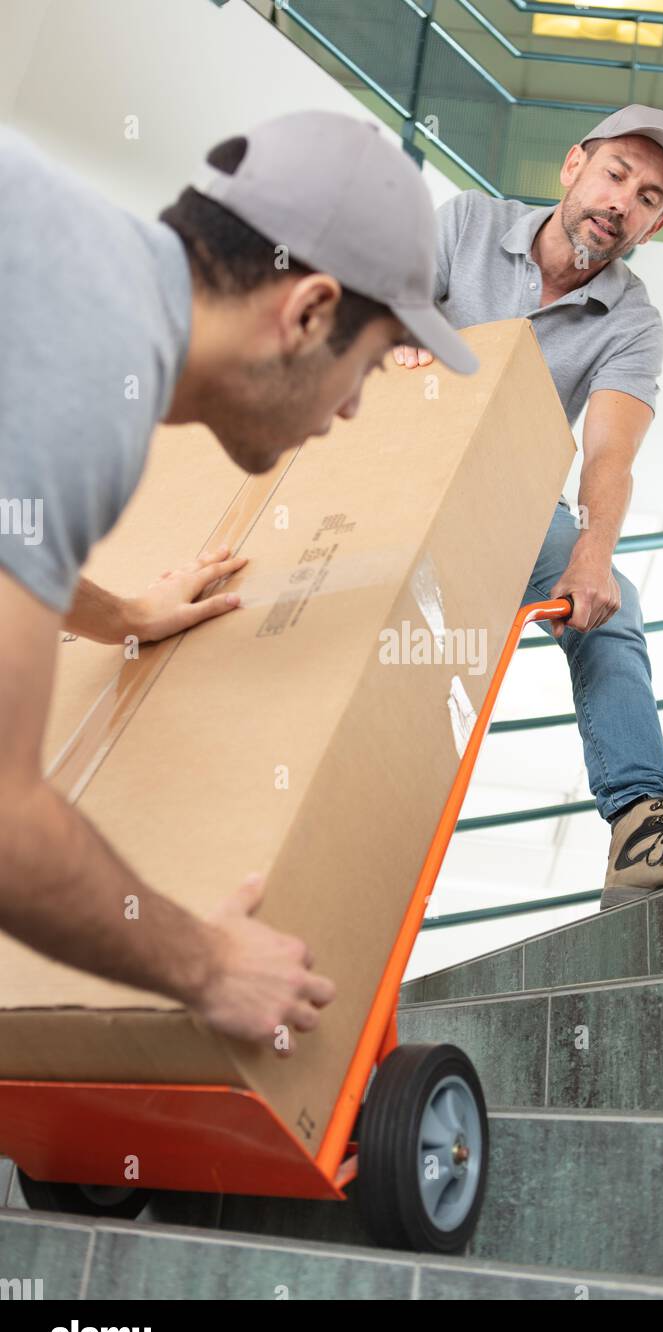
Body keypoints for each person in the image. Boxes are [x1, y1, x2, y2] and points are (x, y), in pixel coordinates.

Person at [0, 110, 477, 1040]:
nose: (349, 412)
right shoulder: (91, 370)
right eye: (368, 368)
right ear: (307, 313)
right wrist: (210, 964)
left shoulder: (75, 268)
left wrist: (120, 615)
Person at [396, 104, 663, 908]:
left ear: (653, 228)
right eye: (616, 173)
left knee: (615, 605)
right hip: (394, 465)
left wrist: (593, 553)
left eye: (650, 197)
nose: (625, 200)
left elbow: (610, 453)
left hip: (505, 502)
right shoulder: (468, 224)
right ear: (572, 167)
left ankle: (643, 832)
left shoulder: (633, 322)